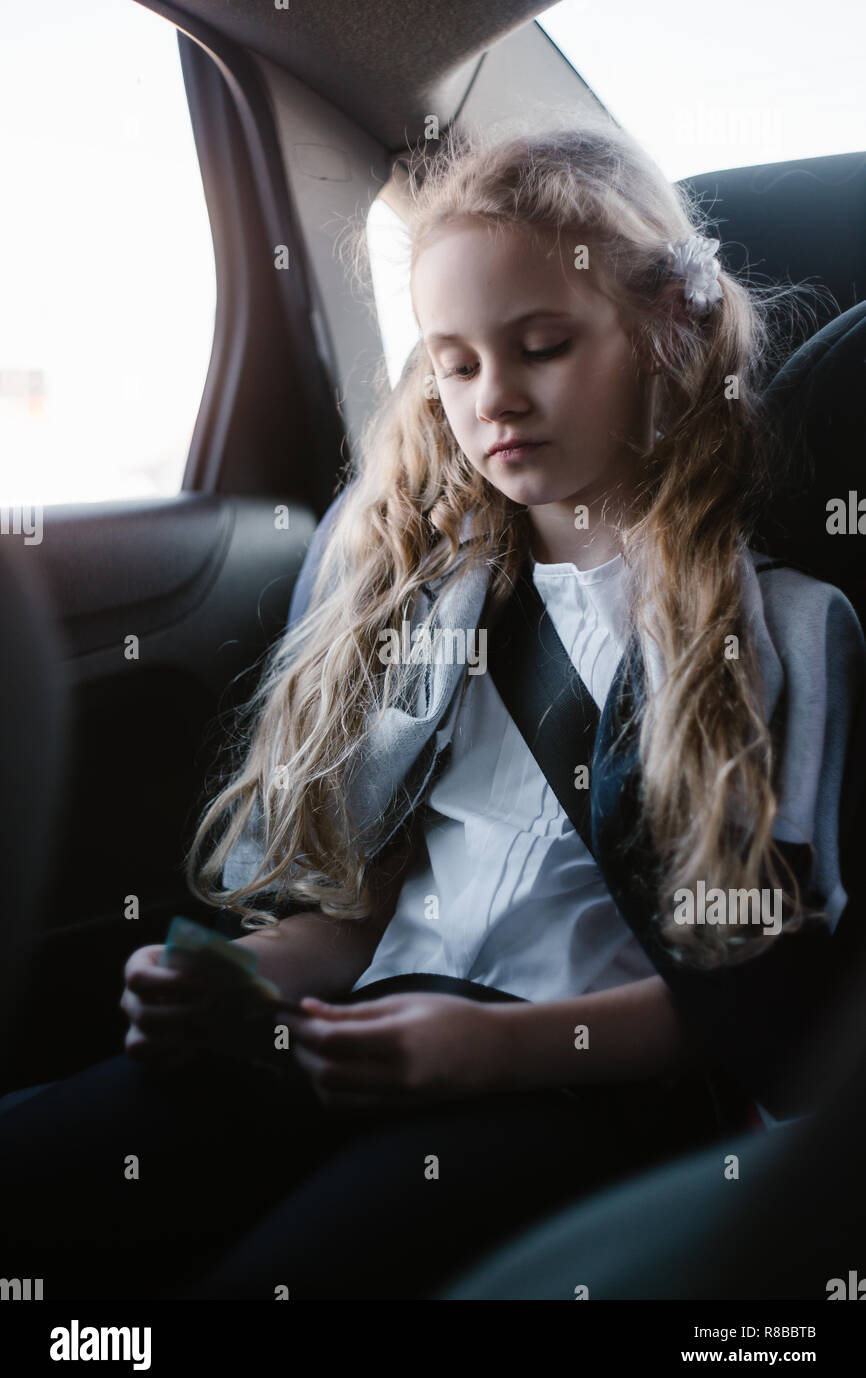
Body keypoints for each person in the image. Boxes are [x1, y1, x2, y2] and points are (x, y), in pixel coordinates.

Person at [1, 117, 863, 1301]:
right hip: (376, 1031)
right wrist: (242, 979)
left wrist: (492, 1048)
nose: (493, 396)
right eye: (454, 364)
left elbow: (755, 1004)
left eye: (541, 346)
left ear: (667, 327)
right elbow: (357, 928)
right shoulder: (428, 606)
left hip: (589, 1091)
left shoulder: (781, 633)